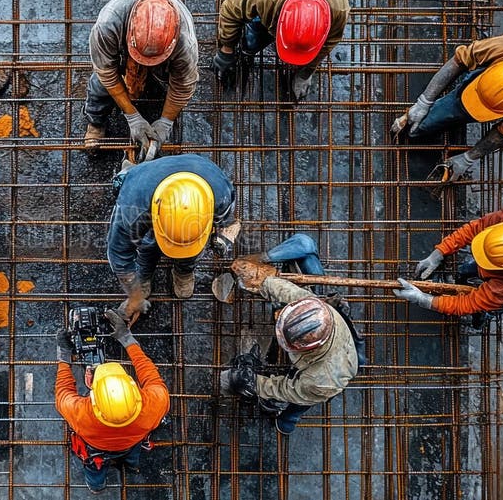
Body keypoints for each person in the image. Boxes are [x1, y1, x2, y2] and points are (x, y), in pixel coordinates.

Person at [391, 33, 503, 181]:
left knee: (457, 113)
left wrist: (468, 157)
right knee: (455, 104)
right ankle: (427, 120)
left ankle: (430, 124)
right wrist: (424, 102)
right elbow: (460, 60)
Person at [220, 258, 358, 434]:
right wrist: (263, 282)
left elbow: (285, 389)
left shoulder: (320, 381)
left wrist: (257, 383)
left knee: (300, 401)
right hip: (337, 348)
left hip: (331, 377)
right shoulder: (316, 311)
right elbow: (290, 293)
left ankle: (286, 421)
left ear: (306, 348)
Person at [212, 0, 350, 99]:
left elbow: (326, 46)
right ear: (278, 21)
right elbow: (230, 12)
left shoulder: (338, 7)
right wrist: (226, 49)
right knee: (252, 41)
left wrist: (305, 74)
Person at [108, 154, 236, 319]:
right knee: (148, 244)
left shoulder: (219, 194)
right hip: (144, 185)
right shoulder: (133, 207)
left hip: (201, 168)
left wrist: (224, 235)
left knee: (193, 252)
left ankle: (183, 272)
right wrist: (134, 291)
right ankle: (144, 275)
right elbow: (119, 254)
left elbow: (229, 221)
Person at [55, 310, 170, 493]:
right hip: (132, 443)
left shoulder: (82, 415)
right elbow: (149, 373)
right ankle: (131, 466)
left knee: (95, 468)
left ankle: (96, 486)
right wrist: (126, 338)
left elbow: (63, 392)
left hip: (96, 449)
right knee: (132, 454)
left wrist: (64, 357)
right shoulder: (154, 405)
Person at [84, 0, 199, 156]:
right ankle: (96, 121)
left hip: (166, 58)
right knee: (99, 84)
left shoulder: (184, 42)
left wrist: (165, 122)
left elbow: (182, 86)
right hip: (125, 48)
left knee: (164, 83)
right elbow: (107, 72)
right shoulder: (108, 25)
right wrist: (133, 117)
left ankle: (156, 89)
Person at [393, 205, 503, 318]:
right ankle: (463, 277)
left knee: (489, 306)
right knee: (466, 269)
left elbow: (469, 304)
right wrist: (438, 253)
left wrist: (424, 300)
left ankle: (490, 312)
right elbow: (474, 229)